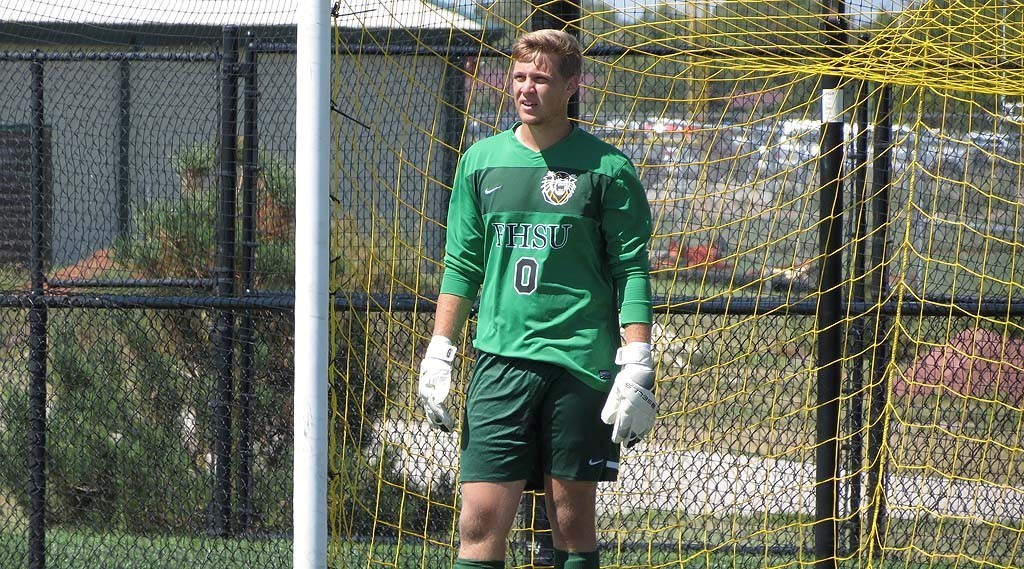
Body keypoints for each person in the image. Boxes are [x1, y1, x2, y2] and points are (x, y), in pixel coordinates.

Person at [417, 28, 657, 569]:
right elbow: (461, 265)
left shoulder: (608, 169)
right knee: (478, 521)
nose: (527, 89)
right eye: (520, 77)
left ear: (573, 85)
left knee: (571, 523)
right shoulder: (480, 161)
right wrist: (439, 349)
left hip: (578, 366)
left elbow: (631, 270)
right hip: (500, 362)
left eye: (542, 79)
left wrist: (638, 360)